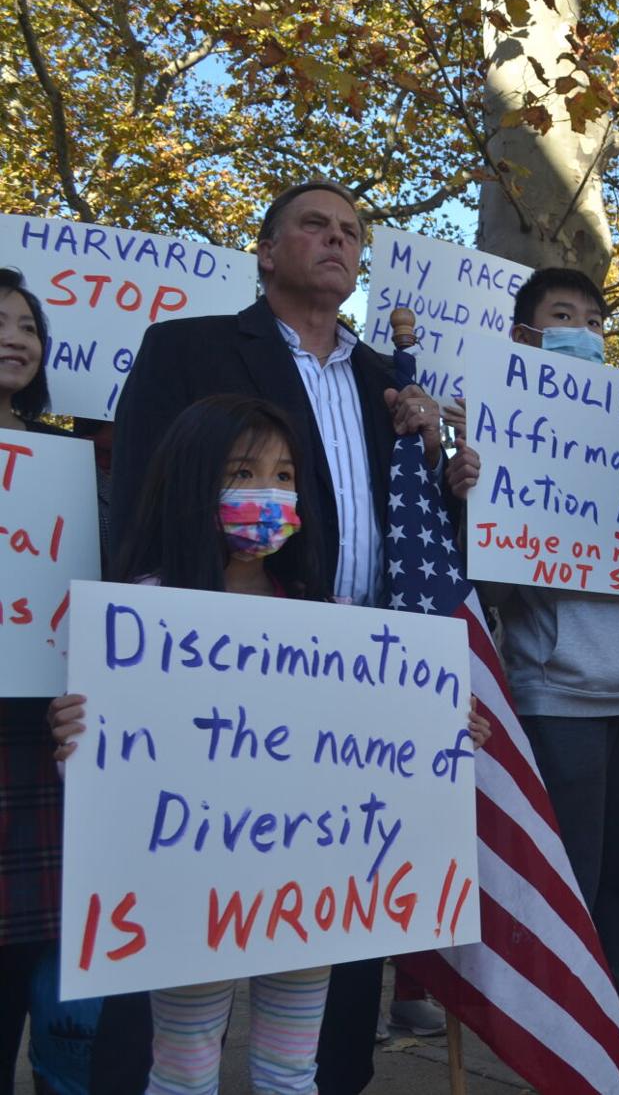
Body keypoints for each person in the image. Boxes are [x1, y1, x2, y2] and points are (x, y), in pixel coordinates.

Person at [105, 181, 479, 1095]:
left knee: (328, 912)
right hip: (212, 666)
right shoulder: (187, 348)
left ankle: (325, 1077)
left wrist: (448, 482)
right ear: (266, 250)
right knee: (178, 915)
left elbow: (420, 541)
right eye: (315, 224)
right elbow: (140, 507)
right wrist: (138, 660)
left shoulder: (393, 383)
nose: (338, 240)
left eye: (353, 230)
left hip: (358, 679)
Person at [49, 394, 488, 1094]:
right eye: (244, 471)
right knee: (185, 1065)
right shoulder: (136, 618)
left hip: (303, 888)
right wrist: (77, 741)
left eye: (284, 476)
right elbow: (114, 778)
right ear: (194, 481)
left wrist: (444, 728)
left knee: (291, 1070)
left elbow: (385, 751)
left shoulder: (333, 622)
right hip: (190, 891)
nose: (269, 492)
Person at [463, 266, 619, 1095]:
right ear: (526, 336)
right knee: (575, 889)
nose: (585, 328)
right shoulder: (499, 431)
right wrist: (473, 498)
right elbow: (488, 587)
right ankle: (587, 1063)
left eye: (594, 316)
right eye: (564, 314)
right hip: (556, 694)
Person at [0, 268, 104, 1095]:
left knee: (69, 997)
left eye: (28, 324)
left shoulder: (72, 461)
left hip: (52, 738)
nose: (17, 336)